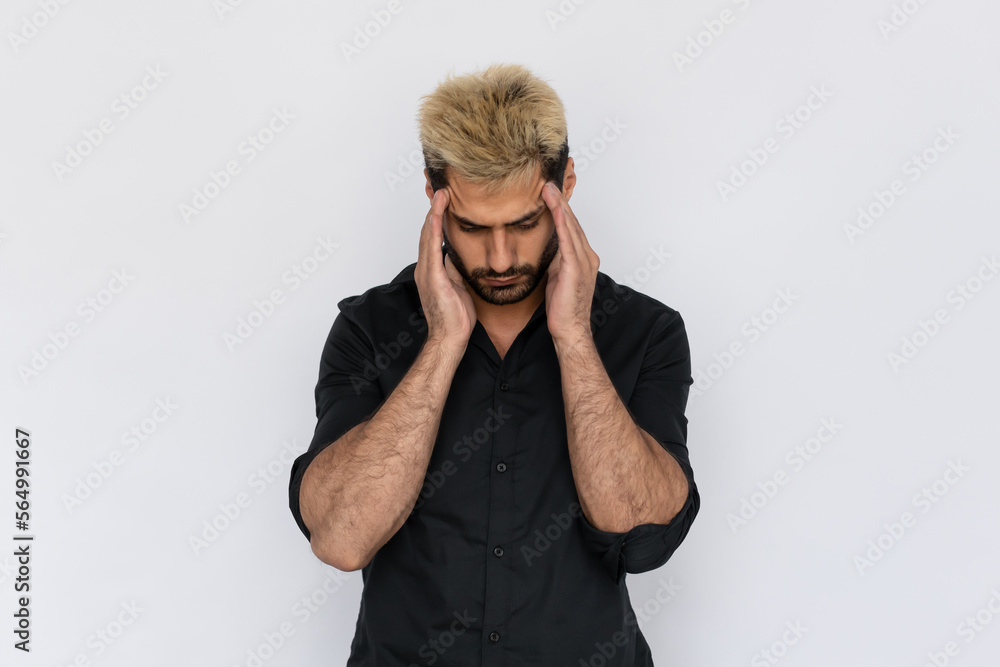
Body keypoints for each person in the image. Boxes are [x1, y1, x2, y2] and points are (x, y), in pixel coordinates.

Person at [288, 62, 699, 666]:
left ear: (566, 187)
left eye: (525, 224)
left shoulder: (646, 332)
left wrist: (574, 339)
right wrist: (442, 344)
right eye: (474, 227)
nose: (501, 257)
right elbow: (342, 538)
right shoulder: (368, 330)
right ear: (434, 197)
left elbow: (638, 535)